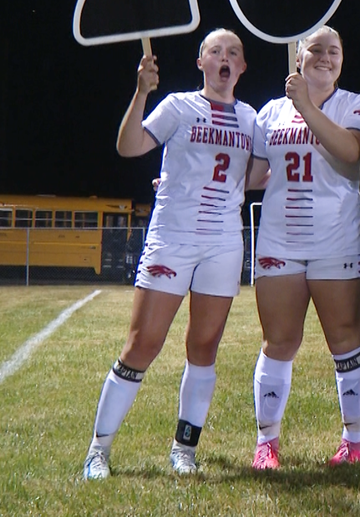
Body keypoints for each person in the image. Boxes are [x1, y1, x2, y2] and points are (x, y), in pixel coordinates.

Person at [83, 28, 258, 480]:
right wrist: (141, 92)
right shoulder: (179, 106)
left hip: (222, 241)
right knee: (143, 343)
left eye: (233, 53)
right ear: (201, 62)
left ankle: (184, 448)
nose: (225, 57)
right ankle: (98, 450)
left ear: (242, 67)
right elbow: (130, 146)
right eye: (216, 50)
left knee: (204, 346)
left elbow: (258, 173)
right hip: (173, 236)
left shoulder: (251, 118)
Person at [246, 26, 360, 470]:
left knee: (345, 341)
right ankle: (267, 442)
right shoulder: (270, 112)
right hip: (279, 239)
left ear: (343, 60)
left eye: (333, 51)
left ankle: (354, 440)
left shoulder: (355, 104)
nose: (324, 57)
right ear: (297, 57)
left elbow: (349, 151)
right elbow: (253, 176)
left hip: (335, 238)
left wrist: (304, 104)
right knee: (278, 341)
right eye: (315, 49)